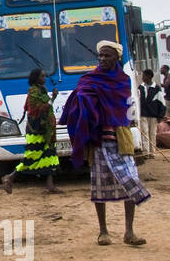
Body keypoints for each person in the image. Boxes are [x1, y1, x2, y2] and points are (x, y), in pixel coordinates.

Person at [63, 40, 150, 247]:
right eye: (100, 55)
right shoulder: (89, 79)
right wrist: (84, 101)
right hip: (98, 140)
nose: (102, 59)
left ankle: (129, 231)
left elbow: (124, 108)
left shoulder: (123, 81)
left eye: (107, 56)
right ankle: (103, 232)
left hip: (120, 137)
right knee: (99, 185)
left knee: (130, 180)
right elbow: (79, 97)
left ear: (117, 58)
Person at [1, 68, 61, 194]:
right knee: (32, 156)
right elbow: (39, 110)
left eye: (44, 76)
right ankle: (10, 177)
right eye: (42, 76)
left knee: (50, 154)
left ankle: (50, 185)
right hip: (37, 132)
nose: (44, 79)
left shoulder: (41, 90)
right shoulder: (33, 92)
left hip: (47, 130)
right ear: (36, 78)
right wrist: (53, 98)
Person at [138, 69, 164, 154]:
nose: (142, 77)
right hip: (143, 115)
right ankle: (146, 152)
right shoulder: (140, 88)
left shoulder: (156, 88)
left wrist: (160, 116)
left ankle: (152, 152)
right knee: (144, 133)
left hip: (153, 115)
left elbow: (162, 103)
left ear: (149, 76)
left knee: (152, 134)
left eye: (144, 76)